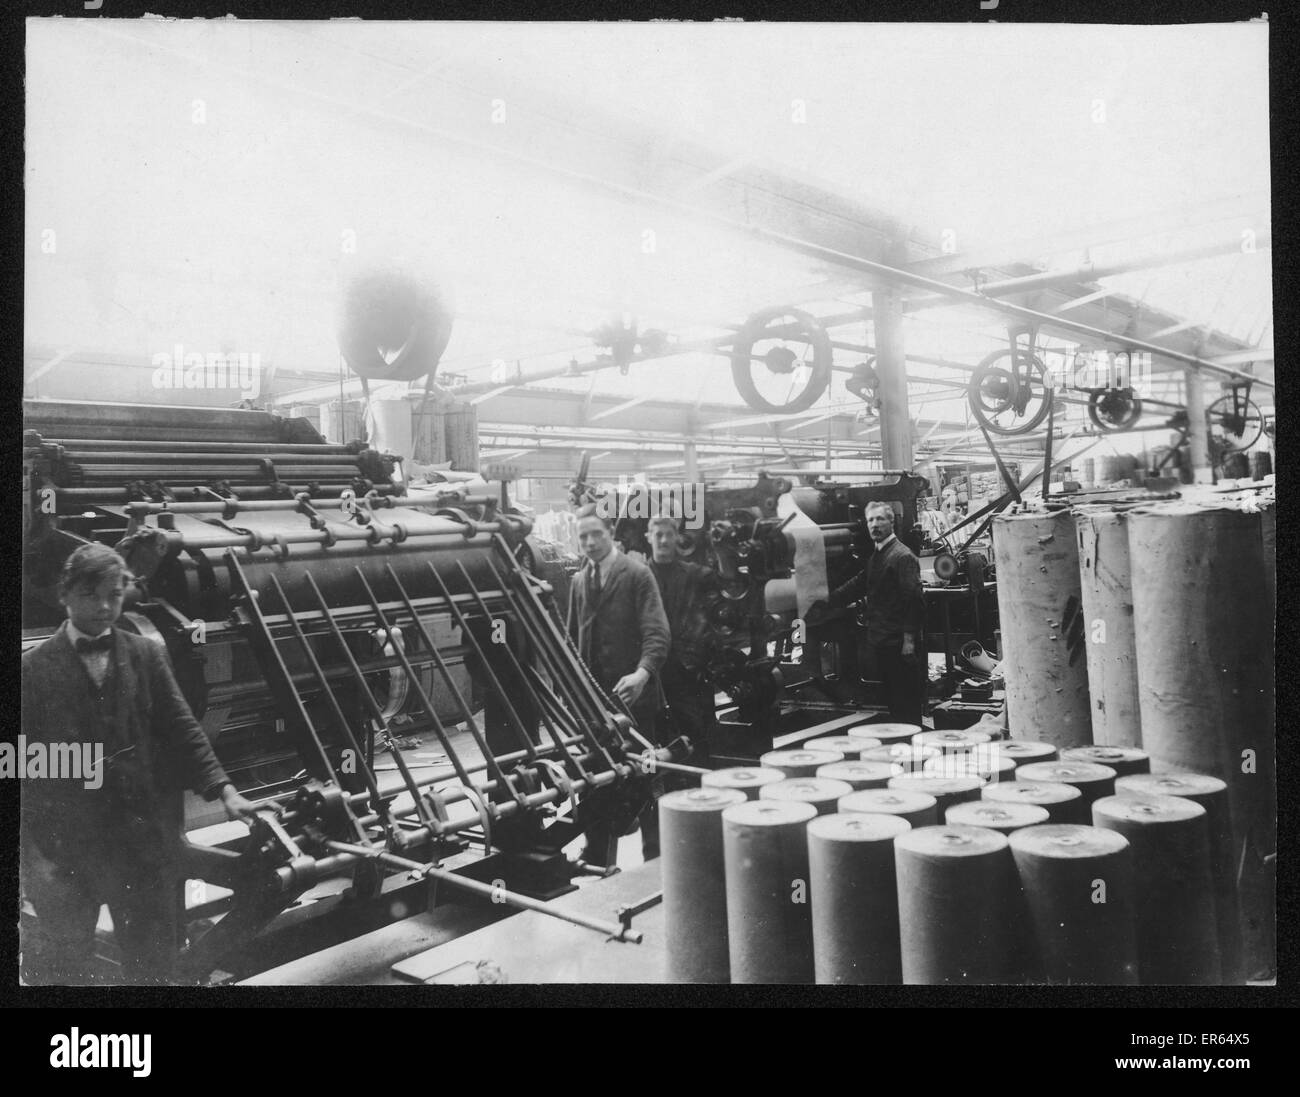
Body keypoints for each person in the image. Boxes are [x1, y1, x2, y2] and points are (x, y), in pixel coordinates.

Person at [21, 543, 258, 985]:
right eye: (91, 595)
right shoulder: (32, 671)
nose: (105, 607)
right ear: (65, 595)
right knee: (61, 966)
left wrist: (226, 791)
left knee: (151, 966)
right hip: (68, 851)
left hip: (139, 845)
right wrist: (33, 860)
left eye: (114, 595)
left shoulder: (145, 654)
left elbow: (182, 727)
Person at [567, 506, 670, 865]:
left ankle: (654, 856)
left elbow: (657, 634)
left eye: (596, 534)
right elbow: (569, 641)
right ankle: (596, 854)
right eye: (583, 537)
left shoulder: (637, 574)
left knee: (644, 776)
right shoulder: (579, 581)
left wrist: (643, 674)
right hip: (593, 705)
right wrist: (571, 694)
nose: (590, 542)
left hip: (634, 702)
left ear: (611, 533)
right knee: (594, 776)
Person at [819, 501, 927, 725]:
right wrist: (827, 600)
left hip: (899, 642)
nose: (874, 525)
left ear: (891, 522)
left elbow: (914, 600)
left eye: (880, 519)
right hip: (882, 639)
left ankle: (911, 746)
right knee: (893, 699)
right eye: (870, 520)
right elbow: (860, 583)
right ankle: (902, 743)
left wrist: (909, 641)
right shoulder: (878, 555)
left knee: (905, 701)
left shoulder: (901, 556)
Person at [646, 514, 723, 773]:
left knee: (698, 734)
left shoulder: (697, 575)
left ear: (678, 538)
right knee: (658, 737)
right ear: (649, 538)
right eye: (658, 535)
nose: (664, 540)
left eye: (669, 534)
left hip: (689, 672)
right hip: (653, 674)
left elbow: (711, 617)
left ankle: (702, 789)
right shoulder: (638, 577)